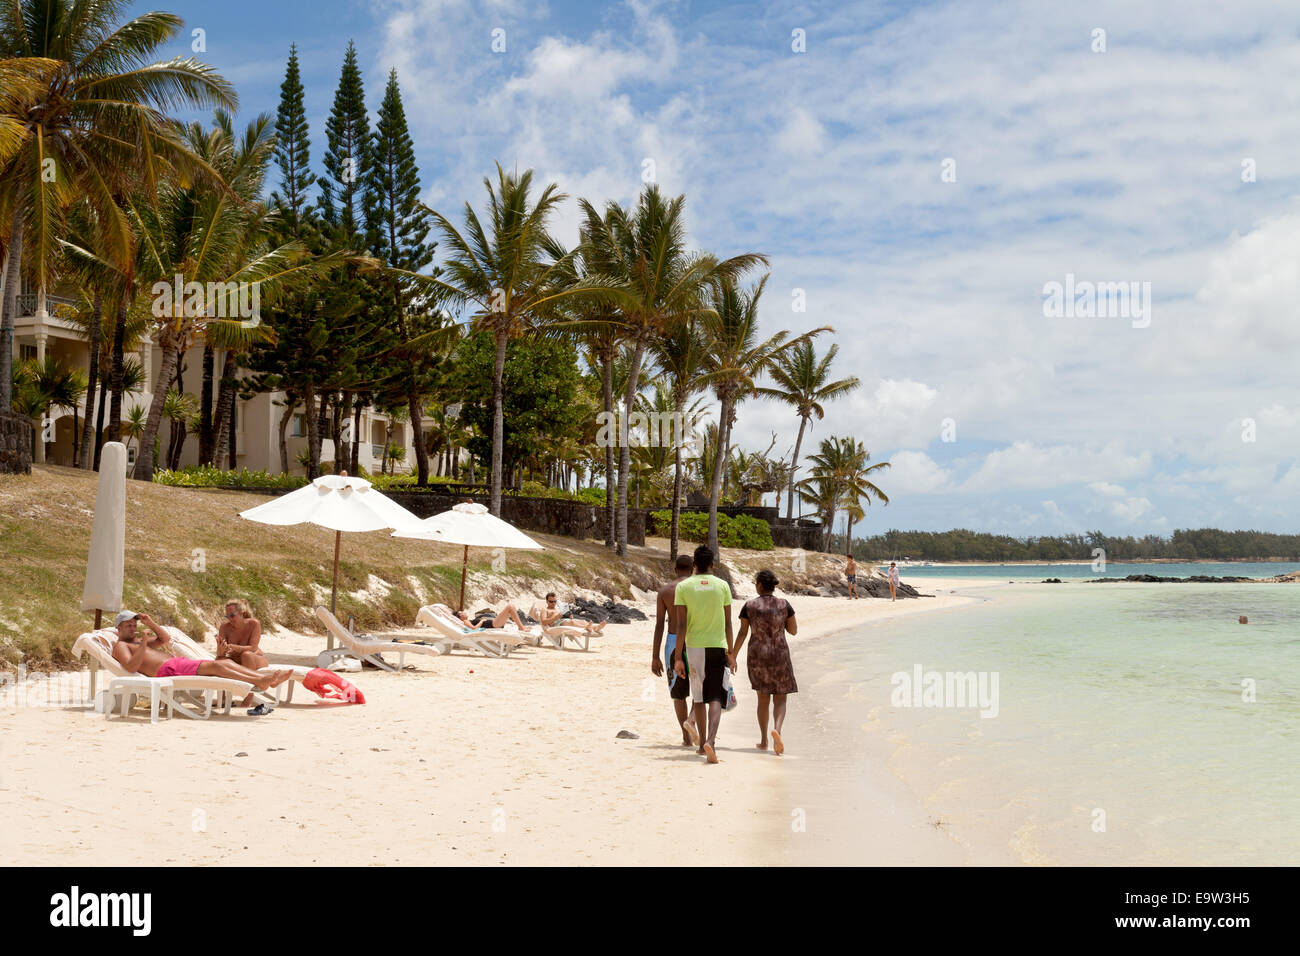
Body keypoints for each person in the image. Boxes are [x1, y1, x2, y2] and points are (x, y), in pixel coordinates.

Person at [110, 610, 291, 713]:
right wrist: (143, 642)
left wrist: (150, 623)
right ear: (119, 628)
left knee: (223, 664)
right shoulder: (121, 646)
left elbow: (164, 638)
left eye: (134, 625)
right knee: (217, 666)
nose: (133, 628)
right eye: (128, 626)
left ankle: (262, 679)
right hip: (168, 670)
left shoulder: (136, 642)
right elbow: (132, 666)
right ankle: (260, 681)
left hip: (175, 664)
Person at [672, 546, 736, 764]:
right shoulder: (722, 586)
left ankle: (701, 746)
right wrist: (732, 651)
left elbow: (680, 625)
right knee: (716, 697)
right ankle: (711, 741)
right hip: (718, 646)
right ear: (713, 564)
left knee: (698, 697)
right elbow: (728, 622)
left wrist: (678, 657)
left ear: (694, 565)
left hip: (694, 648)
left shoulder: (684, 586)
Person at [733, 570, 798, 755]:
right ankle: (777, 729)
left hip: (757, 656)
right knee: (780, 697)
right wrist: (780, 623)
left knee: (763, 699)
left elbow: (743, 633)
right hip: (780, 654)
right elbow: (793, 630)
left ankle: (763, 741)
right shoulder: (784, 604)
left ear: (760, 585)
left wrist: (733, 655)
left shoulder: (750, 606)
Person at [652, 554, 697, 746]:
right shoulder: (698, 589)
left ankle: (686, 737)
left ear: (675, 569)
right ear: (693, 569)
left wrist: (655, 657)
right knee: (700, 689)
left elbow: (660, 625)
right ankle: (693, 722)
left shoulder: (665, 591)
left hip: (672, 641)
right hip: (696, 639)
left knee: (678, 693)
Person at [217, 599, 268, 671]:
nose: (230, 619)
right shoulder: (224, 627)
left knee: (246, 655)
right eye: (227, 616)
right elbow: (220, 653)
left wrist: (234, 647)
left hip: (255, 657)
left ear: (241, 613)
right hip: (235, 659)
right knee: (219, 660)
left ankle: (251, 680)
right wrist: (221, 650)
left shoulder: (253, 624)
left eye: (232, 615)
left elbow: (253, 648)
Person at [536, 593, 607, 634]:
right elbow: (544, 622)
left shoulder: (557, 608)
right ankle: (588, 627)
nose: (553, 603)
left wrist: (568, 615)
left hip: (562, 621)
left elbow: (561, 616)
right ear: (547, 601)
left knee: (582, 621)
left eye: (555, 601)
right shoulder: (544, 610)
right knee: (572, 623)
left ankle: (595, 627)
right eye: (551, 601)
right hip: (555, 625)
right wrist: (556, 617)